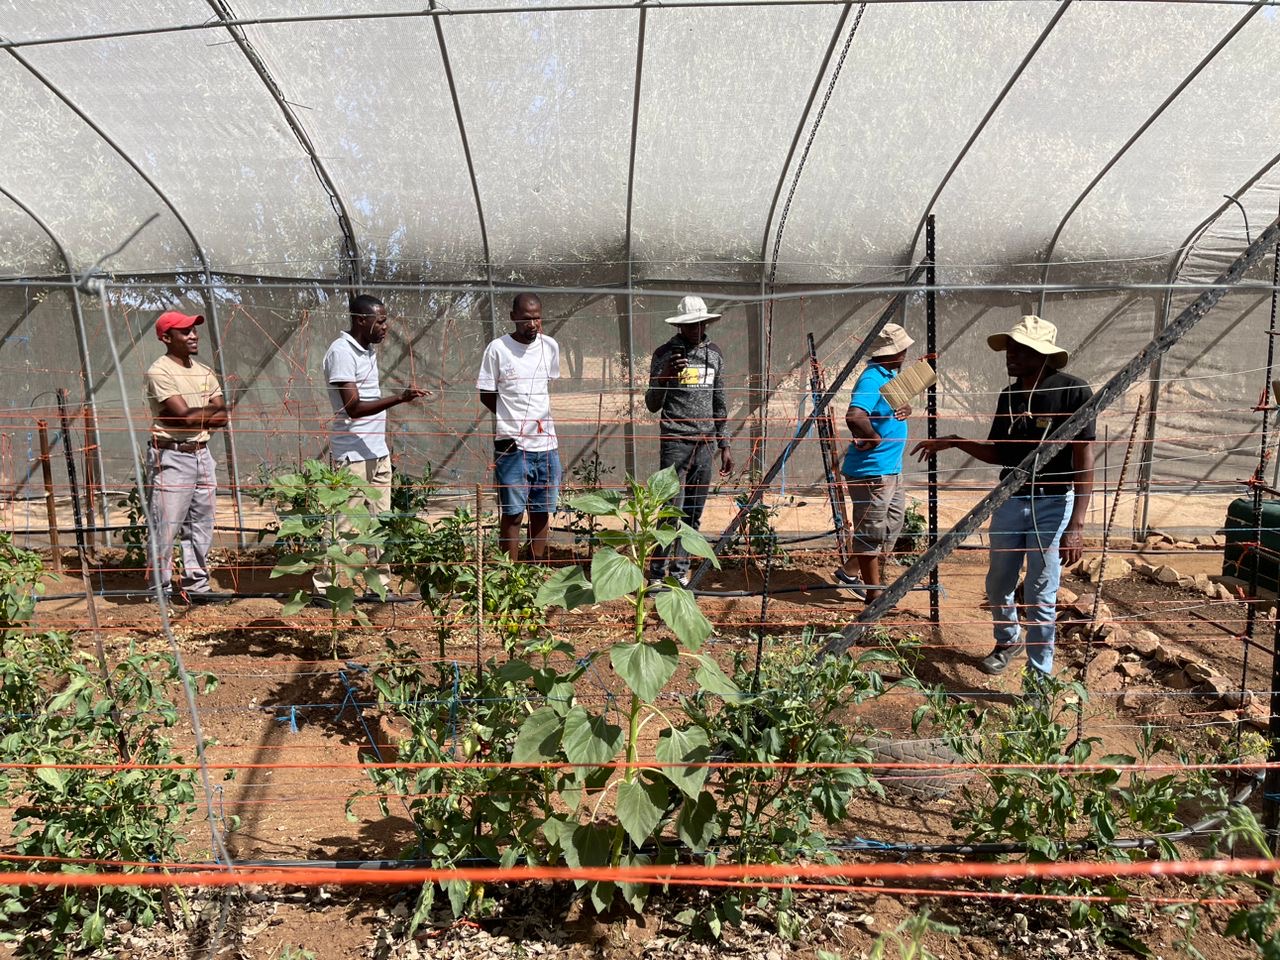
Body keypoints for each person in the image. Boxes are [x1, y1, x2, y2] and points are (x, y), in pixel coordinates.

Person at [911, 315, 1095, 679]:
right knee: (998, 582)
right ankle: (1007, 640)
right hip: (1010, 500)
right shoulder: (1010, 395)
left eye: (1020, 349)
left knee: (1041, 594)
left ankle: (1039, 679)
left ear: (1042, 354)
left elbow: (1083, 456)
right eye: (1009, 348)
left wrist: (1077, 524)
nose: (1011, 355)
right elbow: (1001, 453)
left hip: (1054, 502)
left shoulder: (1074, 391)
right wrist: (955, 440)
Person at [316, 294, 428, 600]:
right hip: (351, 455)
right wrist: (400, 398)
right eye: (380, 321)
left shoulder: (366, 350)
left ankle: (378, 587)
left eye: (385, 320)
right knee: (342, 524)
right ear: (360, 320)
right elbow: (353, 408)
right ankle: (327, 589)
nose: (386, 327)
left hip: (376, 453)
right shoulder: (341, 352)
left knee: (380, 523)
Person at [644, 295, 734, 586]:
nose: (697, 328)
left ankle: (680, 571)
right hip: (675, 441)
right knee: (671, 511)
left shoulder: (715, 354)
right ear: (680, 326)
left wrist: (724, 443)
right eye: (691, 324)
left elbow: (719, 402)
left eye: (701, 323)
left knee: (693, 513)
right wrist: (667, 375)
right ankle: (657, 573)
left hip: (705, 444)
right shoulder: (663, 354)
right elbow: (652, 403)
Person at [144, 310, 229, 603]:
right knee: (165, 523)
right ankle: (160, 589)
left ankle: (197, 585)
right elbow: (182, 416)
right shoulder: (160, 371)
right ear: (166, 338)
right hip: (172, 456)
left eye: (194, 330)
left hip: (202, 453)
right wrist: (201, 417)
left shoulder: (204, 371)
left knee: (201, 523)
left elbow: (222, 414)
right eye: (185, 331)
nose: (193, 335)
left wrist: (194, 418)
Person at [477, 293, 562, 563]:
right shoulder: (498, 350)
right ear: (513, 317)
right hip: (513, 445)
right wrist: (510, 419)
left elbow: (543, 387)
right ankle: (509, 572)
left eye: (537, 317)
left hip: (547, 444)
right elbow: (486, 394)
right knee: (513, 512)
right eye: (526, 319)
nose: (533, 324)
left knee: (541, 510)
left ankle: (535, 568)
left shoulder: (549, 347)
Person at [832, 323, 914, 603]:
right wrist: (873, 437)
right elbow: (855, 416)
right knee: (871, 531)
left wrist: (906, 408)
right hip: (872, 470)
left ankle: (850, 572)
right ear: (893, 352)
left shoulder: (889, 374)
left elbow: (897, 408)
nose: (906, 352)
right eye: (903, 348)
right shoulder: (871, 378)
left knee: (892, 524)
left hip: (891, 467)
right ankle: (873, 595)